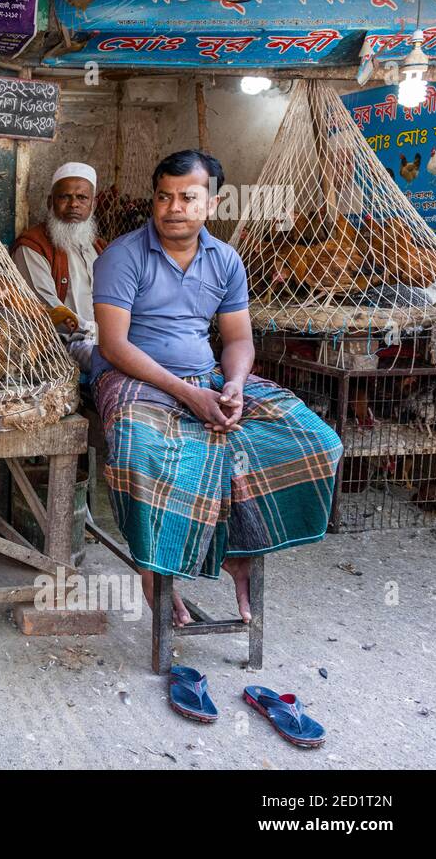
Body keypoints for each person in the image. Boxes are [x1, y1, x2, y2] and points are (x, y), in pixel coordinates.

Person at [91, 149, 342, 626]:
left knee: (313, 439)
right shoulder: (122, 256)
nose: (174, 208)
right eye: (164, 197)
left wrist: (234, 385)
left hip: (207, 375)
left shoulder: (225, 260)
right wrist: (189, 396)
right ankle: (155, 568)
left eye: (188, 197)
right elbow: (114, 344)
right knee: (141, 448)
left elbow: (239, 338)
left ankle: (238, 554)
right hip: (131, 378)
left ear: (213, 202)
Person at [11, 162, 106, 376]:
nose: (74, 204)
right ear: (50, 202)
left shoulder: (99, 246)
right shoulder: (33, 246)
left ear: (93, 204)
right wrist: (96, 330)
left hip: (107, 337)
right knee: (114, 361)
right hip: (65, 342)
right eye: (65, 197)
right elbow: (47, 306)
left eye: (82, 198)